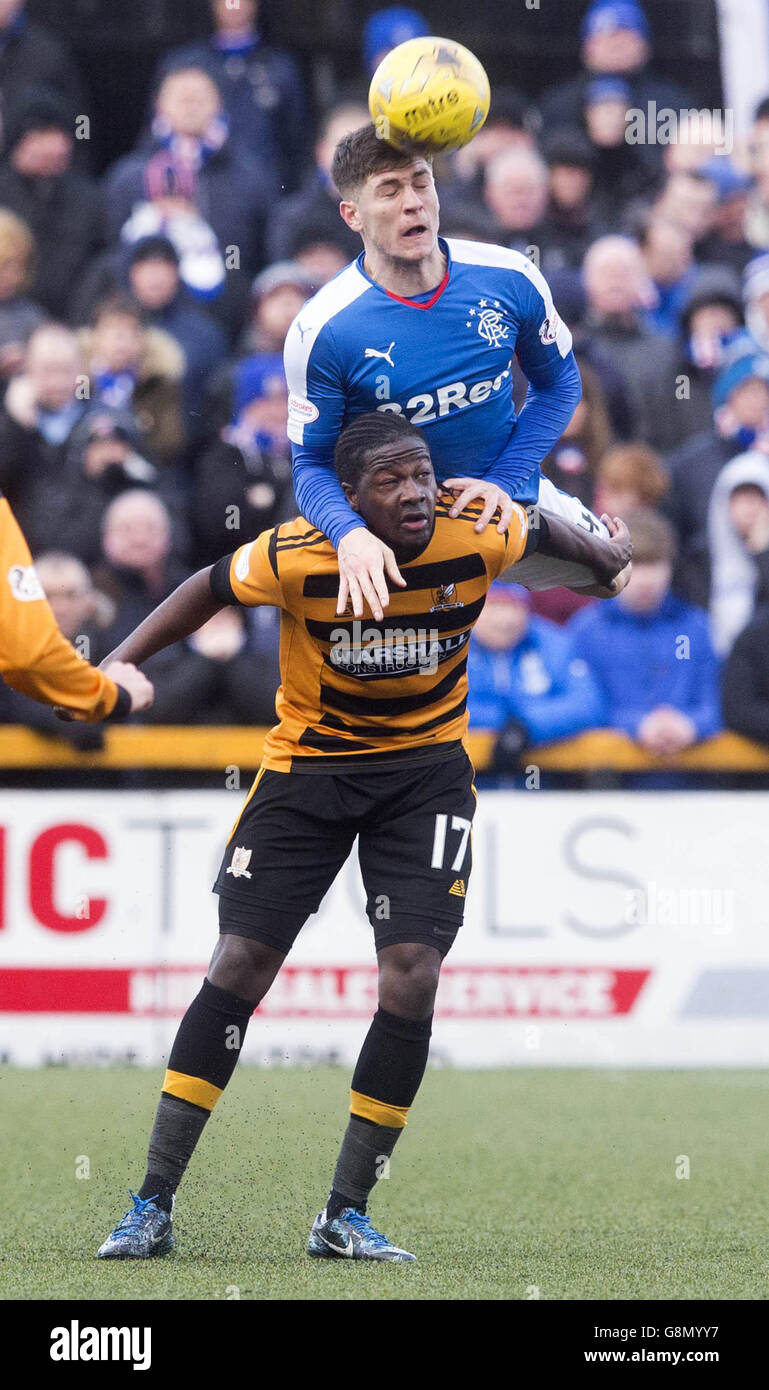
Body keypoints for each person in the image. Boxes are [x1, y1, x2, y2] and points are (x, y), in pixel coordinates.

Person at [95, 410, 631, 1262]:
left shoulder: (475, 530)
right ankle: (151, 1203)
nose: (416, 490)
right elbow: (204, 587)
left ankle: (344, 1213)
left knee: (412, 975)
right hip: (309, 771)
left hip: (423, 778)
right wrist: (115, 665)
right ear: (347, 497)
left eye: (421, 472)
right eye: (390, 479)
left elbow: (563, 542)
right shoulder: (299, 554)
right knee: (240, 962)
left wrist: (605, 552)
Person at [284, 122, 607, 626]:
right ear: (352, 215)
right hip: (393, 531)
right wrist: (350, 534)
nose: (413, 202)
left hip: (504, 498)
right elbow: (309, 463)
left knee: (616, 576)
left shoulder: (510, 276)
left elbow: (559, 384)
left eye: (421, 182)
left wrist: (504, 479)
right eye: (389, 191)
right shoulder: (322, 329)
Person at [569, 509, 721, 753]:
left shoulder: (696, 627)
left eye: (655, 564)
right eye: (635, 564)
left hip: (691, 781)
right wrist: (636, 725)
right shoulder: (586, 630)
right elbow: (583, 707)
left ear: (671, 566)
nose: (646, 579)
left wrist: (690, 725)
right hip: (608, 782)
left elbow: (717, 701)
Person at [0, 489, 151, 719]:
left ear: (89, 600)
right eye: (47, 596)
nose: (60, 607)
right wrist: (112, 696)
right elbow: (29, 657)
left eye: (70, 595)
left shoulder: (114, 642)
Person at [152, 0, 309, 193]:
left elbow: (296, 145)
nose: (234, 4)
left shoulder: (280, 67)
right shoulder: (183, 64)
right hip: (189, 190)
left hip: (261, 194)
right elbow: (155, 132)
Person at [664, 333, 769, 607]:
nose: (759, 400)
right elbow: (676, 540)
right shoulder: (690, 463)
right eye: (748, 390)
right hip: (707, 601)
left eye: (765, 390)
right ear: (728, 394)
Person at [467, 582, 604, 764]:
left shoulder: (554, 643)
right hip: (471, 780)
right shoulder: (450, 647)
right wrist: (505, 721)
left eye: (514, 606)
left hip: (541, 781)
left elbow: (587, 704)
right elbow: (435, 706)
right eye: (494, 606)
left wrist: (527, 726)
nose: (505, 619)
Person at [0, 85, 104, 318]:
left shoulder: (88, 199)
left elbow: (99, 269)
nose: (54, 145)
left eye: (59, 134)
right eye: (40, 134)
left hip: (74, 325)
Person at [707, 452, 769, 656]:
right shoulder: (701, 559)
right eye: (742, 498)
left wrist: (762, 553)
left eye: (758, 498)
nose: (750, 508)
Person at [0, 207, 44, 379]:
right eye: (5, 266)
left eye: (20, 266)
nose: (15, 277)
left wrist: (32, 360)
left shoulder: (30, 315)